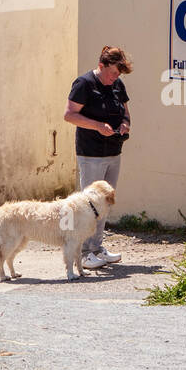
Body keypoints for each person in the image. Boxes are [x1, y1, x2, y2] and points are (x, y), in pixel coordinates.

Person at [63, 46, 132, 269]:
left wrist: (124, 124)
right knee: (89, 204)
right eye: (112, 73)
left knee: (105, 203)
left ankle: (97, 248)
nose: (115, 78)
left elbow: (126, 112)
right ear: (101, 66)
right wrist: (97, 126)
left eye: (118, 75)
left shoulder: (117, 85)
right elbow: (69, 115)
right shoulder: (84, 84)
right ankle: (83, 252)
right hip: (91, 152)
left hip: (113, 150)